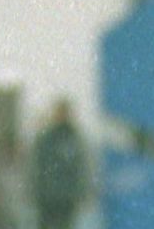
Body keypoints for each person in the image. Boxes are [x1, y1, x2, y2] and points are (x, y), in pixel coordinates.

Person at [31, 98, 90, 229]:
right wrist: (35, 189)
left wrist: (81, 191)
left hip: (67, 197)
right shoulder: (45, 138)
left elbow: (81, 168)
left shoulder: (74, 138)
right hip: (47, 196)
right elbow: (36, 166)